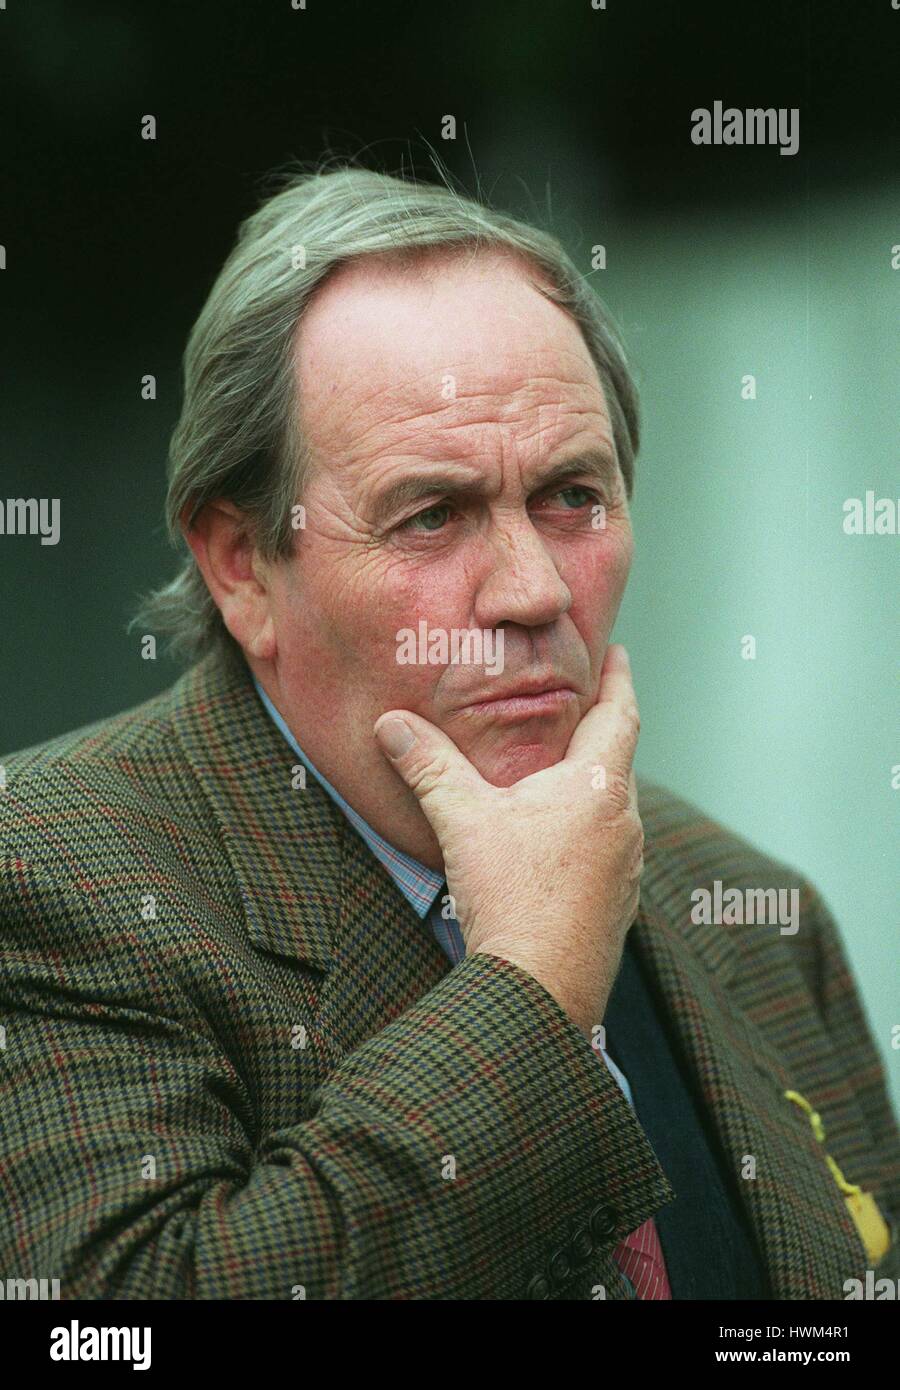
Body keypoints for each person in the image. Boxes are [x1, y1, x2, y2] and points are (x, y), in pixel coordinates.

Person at [1, 165, 896, 1300]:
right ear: (242, 566)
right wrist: (528, 988)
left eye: (573, 495)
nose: (530, 590)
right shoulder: (45, 880)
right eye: (432, 515)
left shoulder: (753, 912)